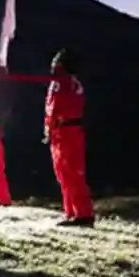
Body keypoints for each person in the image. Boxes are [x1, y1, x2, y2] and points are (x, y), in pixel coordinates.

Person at [44, 48, 94, 227]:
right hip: (66, 131)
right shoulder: (67, 82)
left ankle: (82, 214)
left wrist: (50, 127)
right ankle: (72, 212)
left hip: (66, 131)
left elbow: (57, 106)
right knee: (66, 173)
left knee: (71, 172)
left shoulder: (64, 82)